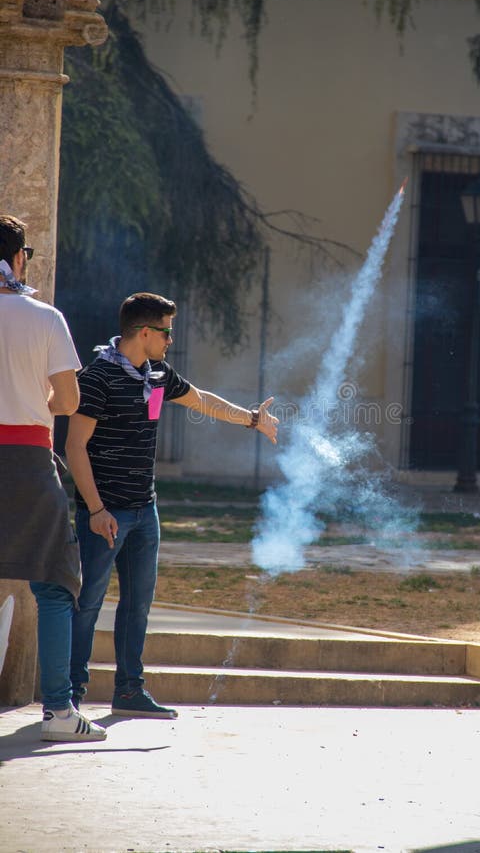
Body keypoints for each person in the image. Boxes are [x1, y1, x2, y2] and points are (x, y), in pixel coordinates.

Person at [66, 292, 278, 718]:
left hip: (146, 511)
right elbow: (74, 447)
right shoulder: (96, 378)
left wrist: (253, 419)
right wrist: (96, 509)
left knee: (138, 604)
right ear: (144, 332)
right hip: (105, 514)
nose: (170, 340)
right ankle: (69, 697)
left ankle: (129, 690)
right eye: (165, 332)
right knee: (87, 602)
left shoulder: (157, 374)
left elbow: (200, 399)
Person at [0, 215, 106, 742]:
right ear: (19, 258)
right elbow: (68, 401)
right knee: (56, 583)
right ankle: (60, 713)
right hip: (25, 458)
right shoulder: (45, 318)